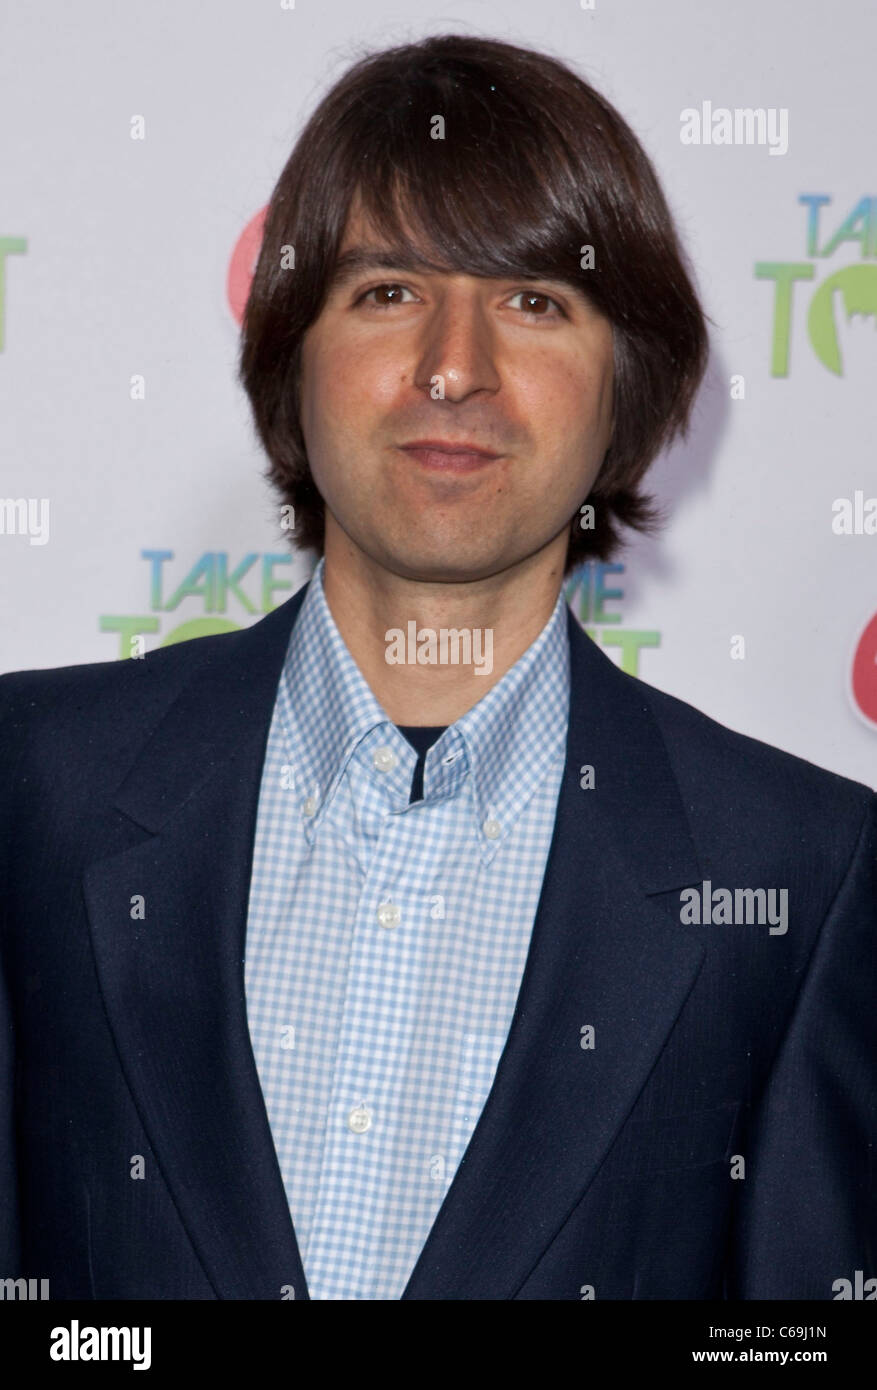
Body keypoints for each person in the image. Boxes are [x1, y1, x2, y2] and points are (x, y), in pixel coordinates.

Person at [1, 33, 874, 1302]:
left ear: (625, 386)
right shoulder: (33, 789)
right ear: (291, 359)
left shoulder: (798, 874)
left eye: (532, 300)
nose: (452, 367)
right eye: (388, 291)